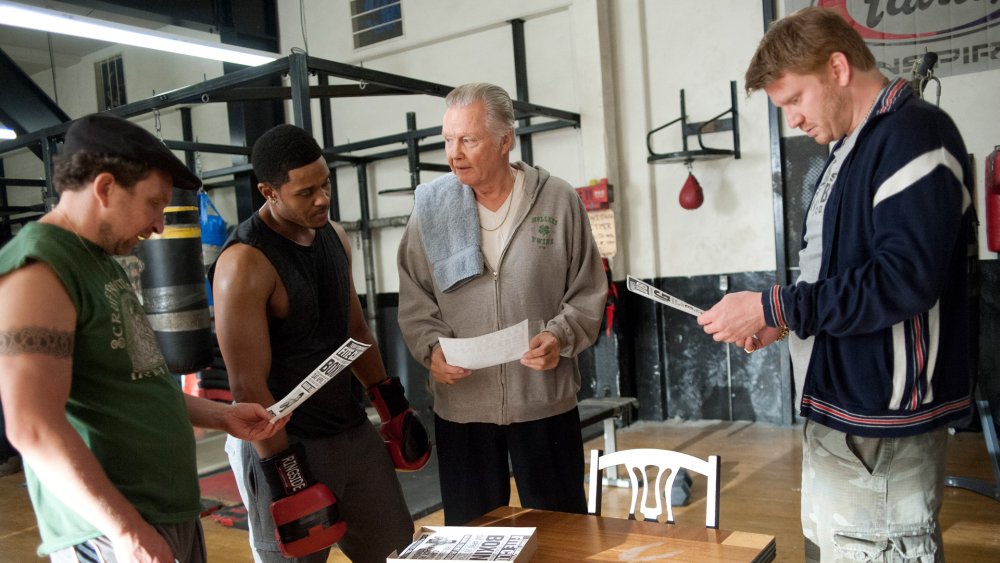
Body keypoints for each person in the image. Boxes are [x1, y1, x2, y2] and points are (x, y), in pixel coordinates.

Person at [697, 8, 975, 562]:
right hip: (840, 411)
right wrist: (780, 320)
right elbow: (835, 277)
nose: (792, 119)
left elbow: (902, 279)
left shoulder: (913, 133)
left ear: (839, 68)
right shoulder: (849, 149)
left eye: (795, 99)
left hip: (883, 425)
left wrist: (774, 304)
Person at [0, 113, 286, 563]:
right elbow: (32, 426)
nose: (158, 226)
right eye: (154, 204)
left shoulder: (100, 262)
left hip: (163, 513)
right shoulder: (40, 268)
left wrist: (222, 415)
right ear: (105, 188)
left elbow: (135, 380)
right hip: (111, 531)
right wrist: (125, 530)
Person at [210, 124, 428, 563]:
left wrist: (392, 404)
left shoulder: (334, 236)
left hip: (351, 431)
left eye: (325, 183)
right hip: (288, 446)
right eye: (306, 192)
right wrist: (287, 474)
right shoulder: (244, 264)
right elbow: (248, 387)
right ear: (269, 192)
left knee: (397, 551)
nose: (323, 199)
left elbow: (356, 332)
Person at [397, 82, 607, 526]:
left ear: (505, 140)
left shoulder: (558, 200)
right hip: (464, 404)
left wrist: (560, 335)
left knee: (560, 534)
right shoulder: (430, 209)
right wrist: (431, 349)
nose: (454, 153)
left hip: (543, 401)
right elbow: (415, 298)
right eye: (448, 139)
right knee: (471, 537)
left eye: (468, 140)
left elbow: (588, 289)